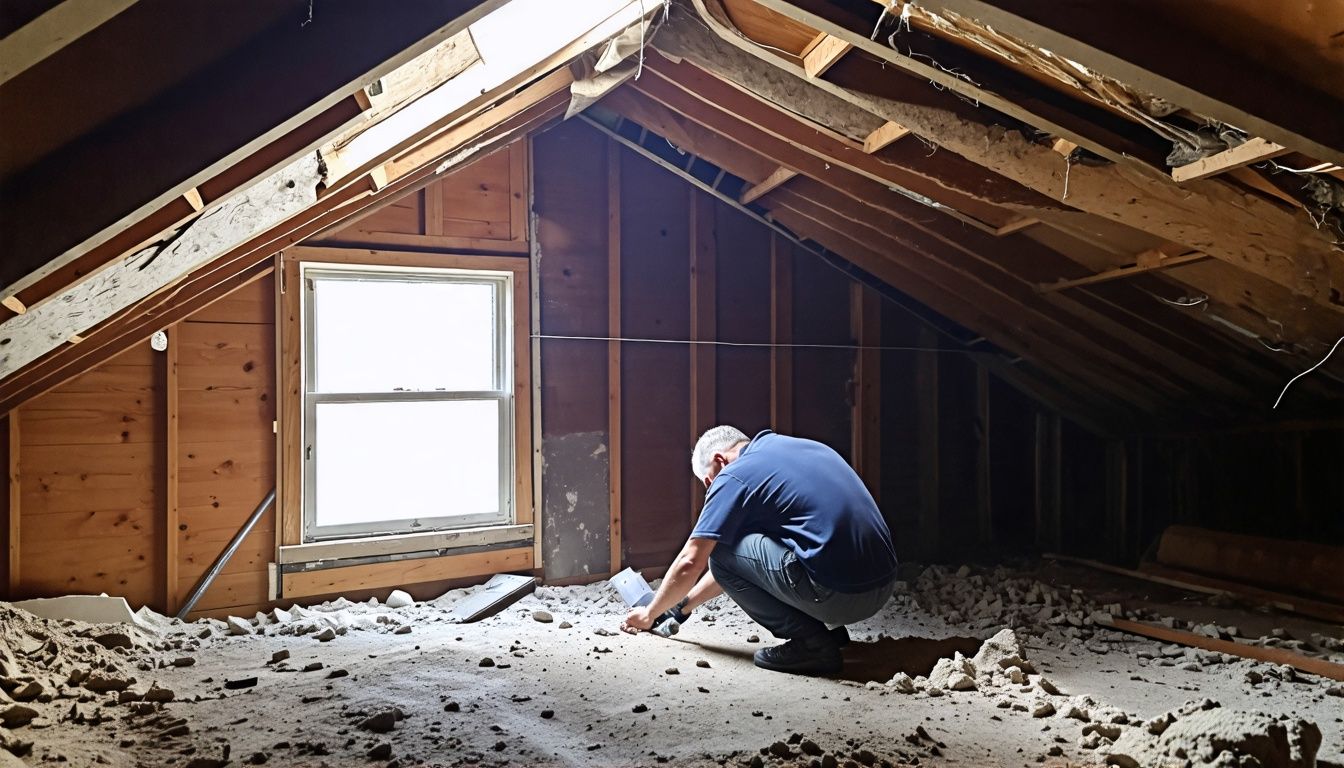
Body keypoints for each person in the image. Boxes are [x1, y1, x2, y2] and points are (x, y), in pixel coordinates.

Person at [622, 426, 899, 675]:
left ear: (719, 460)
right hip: (881, 586)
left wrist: (649, 614)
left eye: (708, 481)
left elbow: (692, 561)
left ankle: (813, 645)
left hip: (838, 595)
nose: (711, 489)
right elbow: (747, 564)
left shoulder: (734, 475)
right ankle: (828, 631)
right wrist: (680, 608)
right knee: (746, 543)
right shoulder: (792, 448)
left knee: (720, 550)